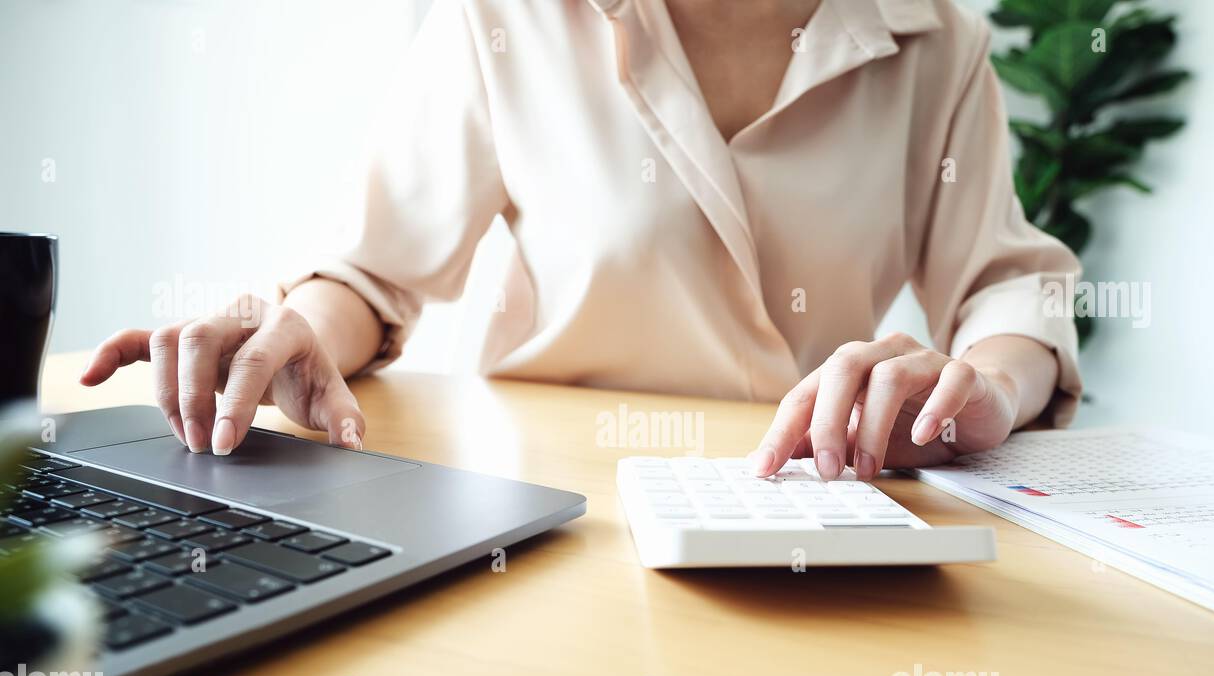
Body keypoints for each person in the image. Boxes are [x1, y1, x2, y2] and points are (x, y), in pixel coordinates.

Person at [81, 0, 1081, 481]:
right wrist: (295, 325)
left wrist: (987, 387)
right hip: (546, 507)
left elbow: (1006, 286)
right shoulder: (507, 15)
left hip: (809, 500)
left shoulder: (937, 38)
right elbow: (371, 273)